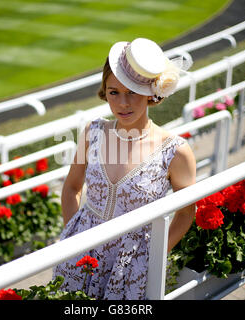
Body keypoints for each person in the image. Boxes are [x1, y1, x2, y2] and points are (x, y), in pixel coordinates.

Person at [53, 38, 197, 300]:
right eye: (113, 92)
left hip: (131, 270)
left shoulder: (175, 151)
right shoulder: (92, 132)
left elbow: (186, 213)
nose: (122, 104)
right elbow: (72, 188)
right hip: (80, 256)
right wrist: (73, 242)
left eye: (132, 92)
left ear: (152, 92)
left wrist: (150, 257)